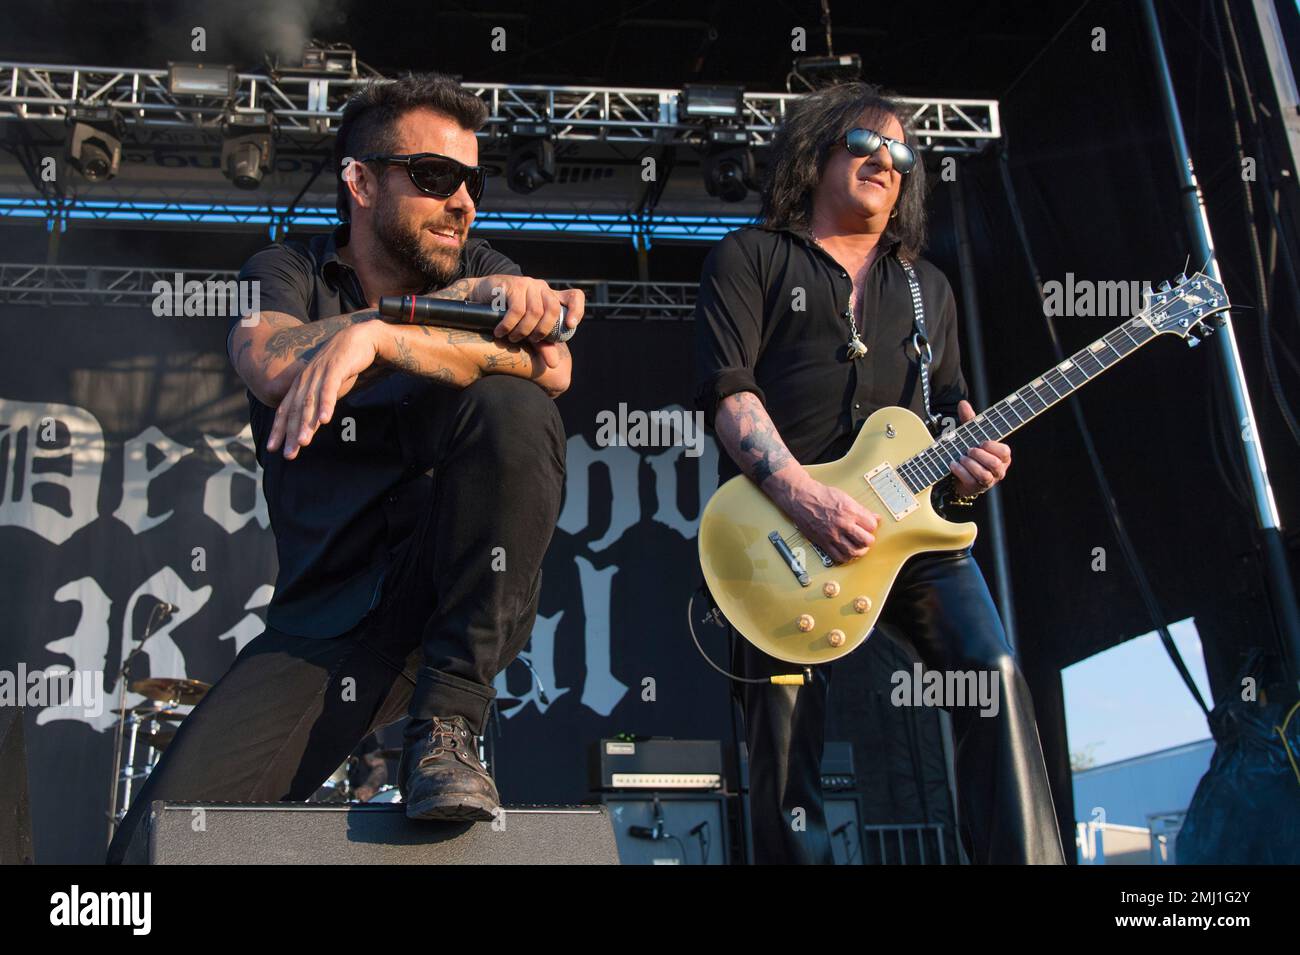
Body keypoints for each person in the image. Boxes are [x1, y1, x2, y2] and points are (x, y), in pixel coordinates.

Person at [107, 72, 581, 862]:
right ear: (359, 182)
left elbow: (552, 367)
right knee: (147, 852)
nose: (460, 201)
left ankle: (450, 725)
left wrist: (381, 339)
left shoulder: (486, 263)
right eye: (433, 177)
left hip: (447, 608)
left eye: (471, 181)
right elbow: (266, 360)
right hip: (325, 625)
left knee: (516, 404)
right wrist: (376, 326)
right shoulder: (287, 271)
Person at [693, 82, 1065, 865]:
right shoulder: (751, 256)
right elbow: (728, 389)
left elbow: (953, 412)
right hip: (784, 526)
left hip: (916, 534)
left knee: (991, 674)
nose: (886, 162)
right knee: (784, 720)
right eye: (866, 145)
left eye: (901, 155)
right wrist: (800, 491)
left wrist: (972, 470)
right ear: (818, 153)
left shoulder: (928, 288)